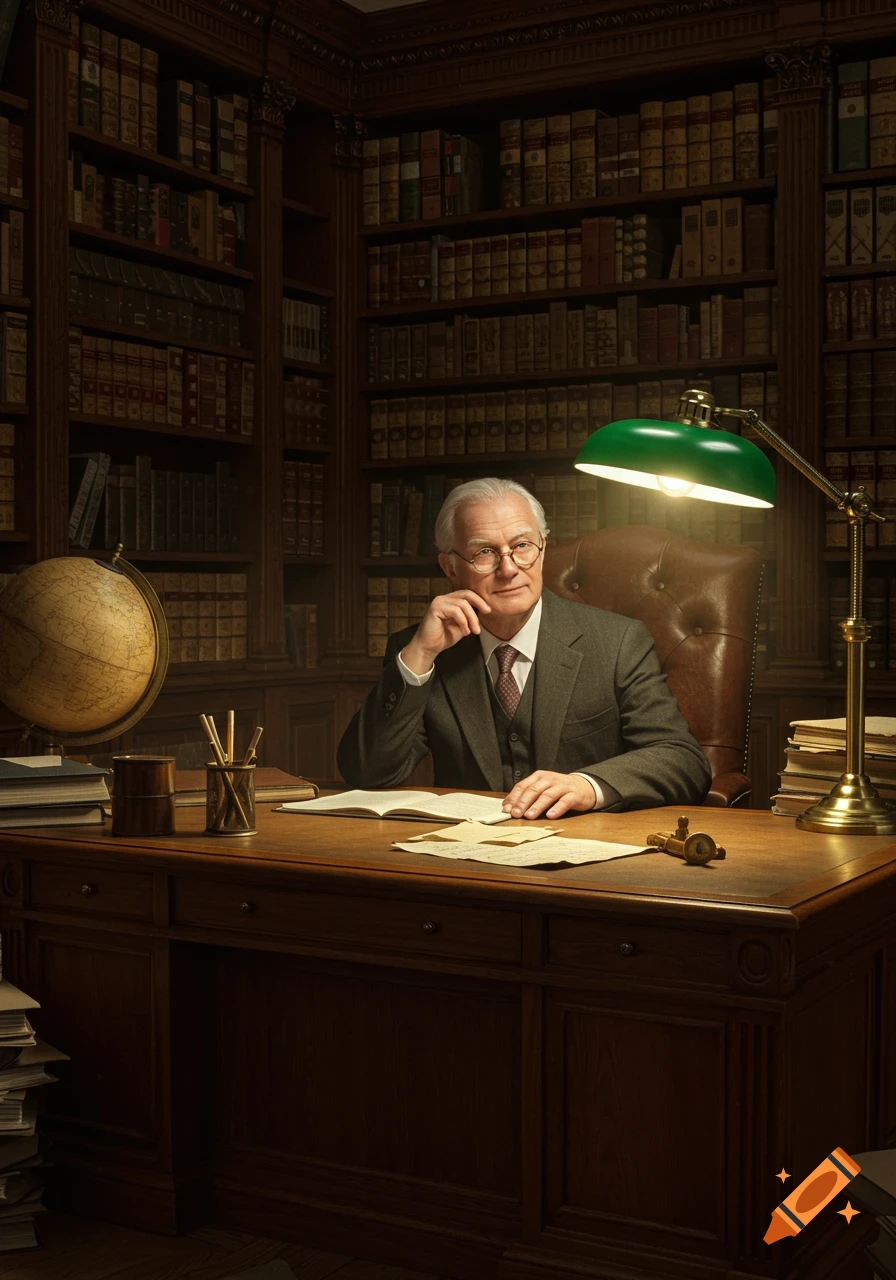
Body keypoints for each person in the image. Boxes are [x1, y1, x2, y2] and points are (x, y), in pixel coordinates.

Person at [338, 477, 711, 818]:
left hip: (588, 857)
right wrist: (419, 656)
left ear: (543, 549)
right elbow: (368, 774)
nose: (509, 568)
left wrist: (587, 786)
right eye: (485, 552)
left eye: (521, 546)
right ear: (450, 567)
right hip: (463, 861)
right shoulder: (420, 650)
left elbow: (683, 761)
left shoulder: (617, 642)